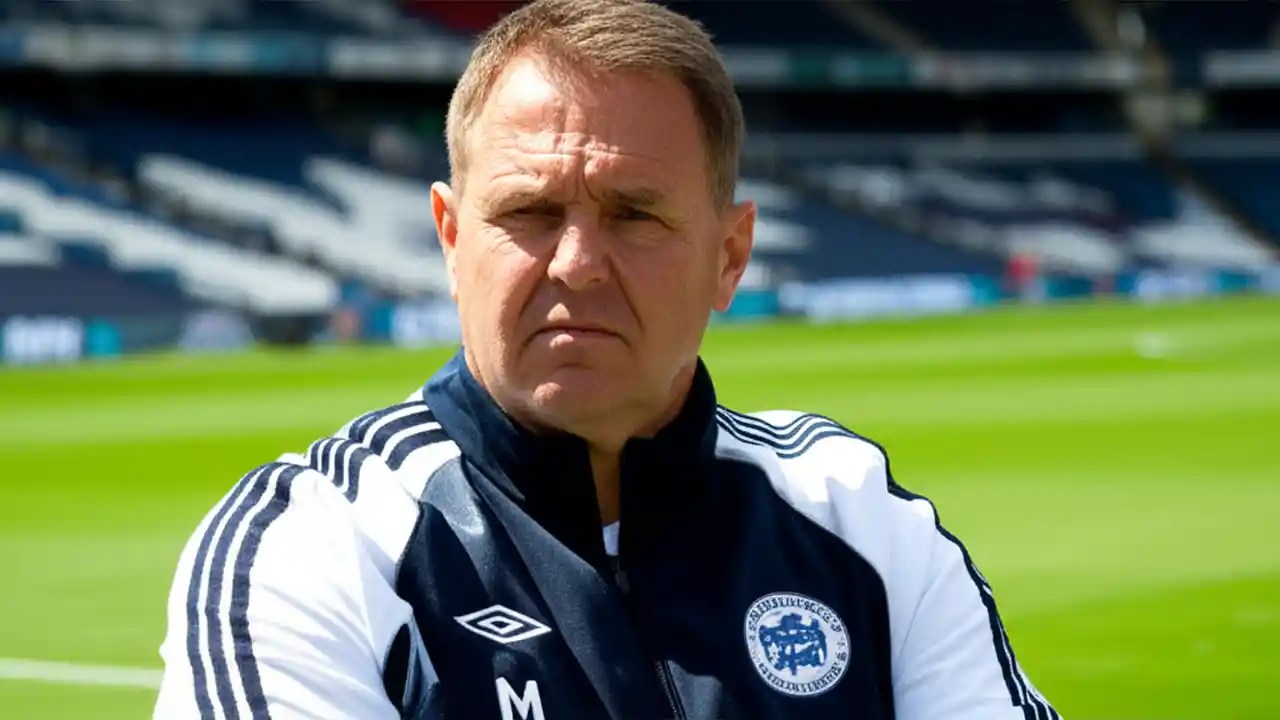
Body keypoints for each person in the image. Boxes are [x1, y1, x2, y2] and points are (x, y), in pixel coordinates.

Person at [155, 1, 1059, 718]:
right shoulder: (312, 550)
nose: (577, 262)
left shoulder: (862, 525)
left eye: (635, 214)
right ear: (450, 234)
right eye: (530, 211)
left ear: (729, 257)